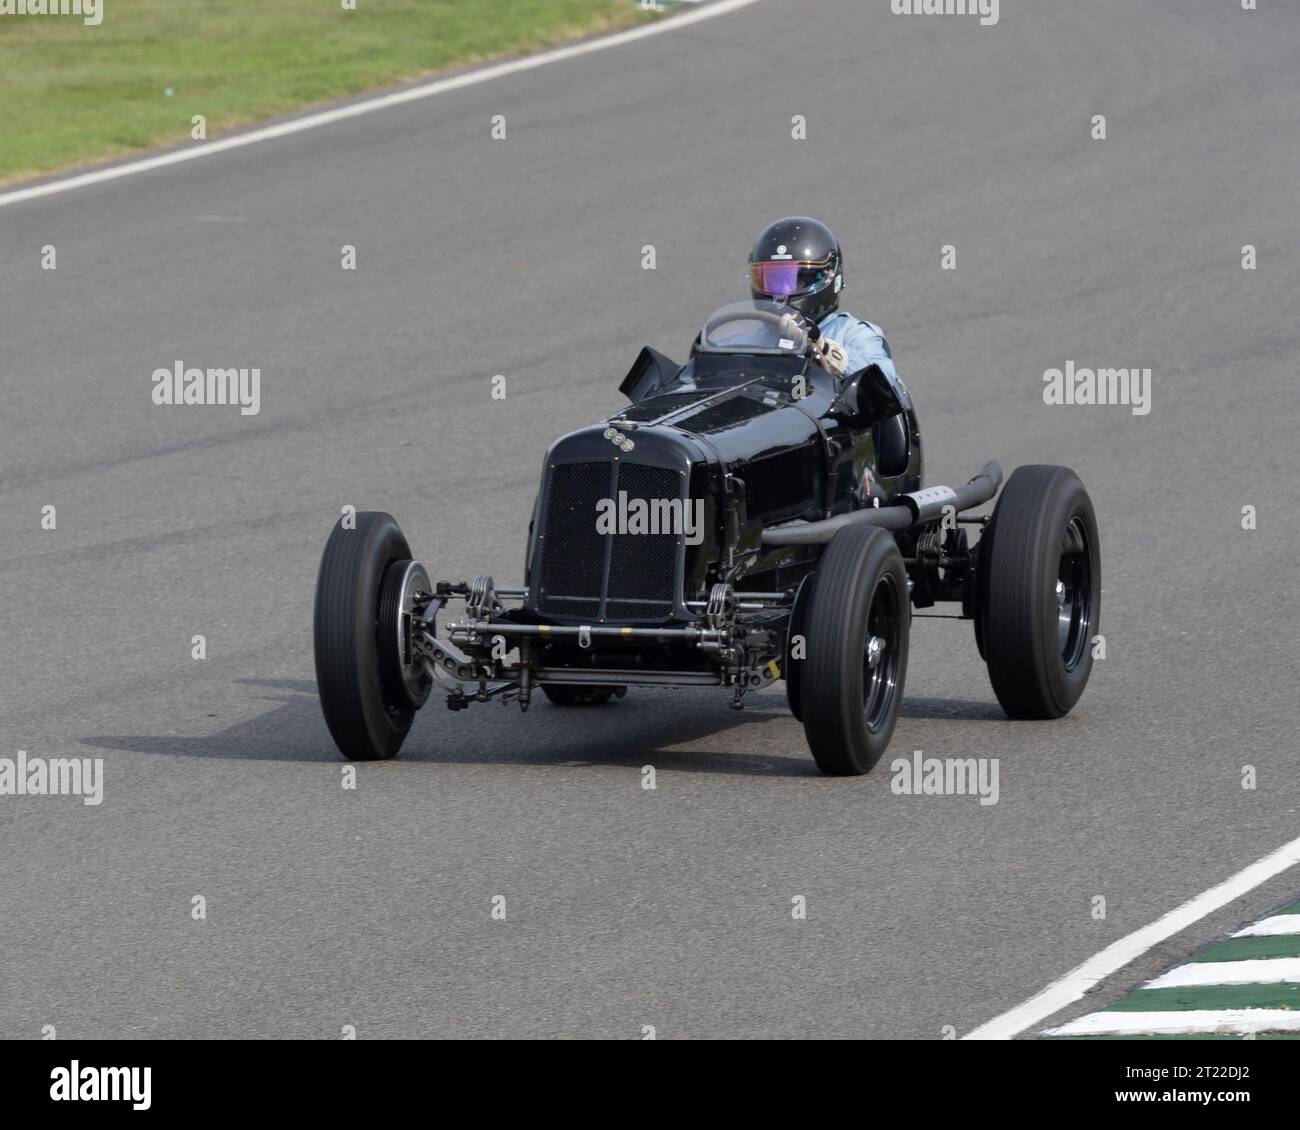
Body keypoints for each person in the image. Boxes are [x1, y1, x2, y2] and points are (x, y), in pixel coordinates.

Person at [746, 216, 898, 381]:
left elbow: (885, 381)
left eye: (796, 280)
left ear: (829, 277)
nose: (782, 292)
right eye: (773, 280)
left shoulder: (854, 334)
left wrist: (823, 348)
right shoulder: (749, 342)